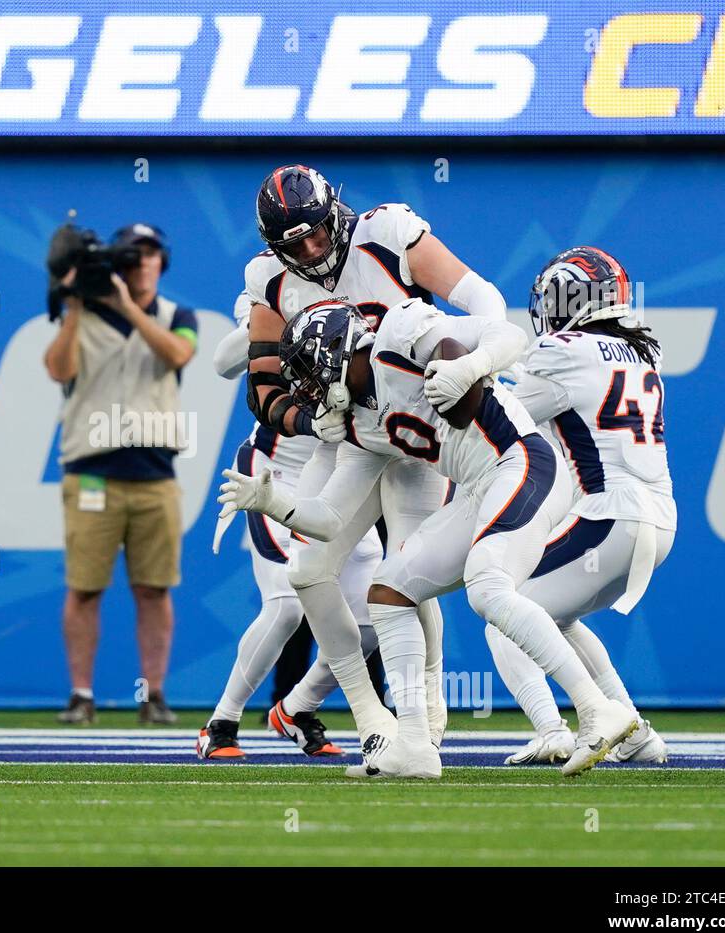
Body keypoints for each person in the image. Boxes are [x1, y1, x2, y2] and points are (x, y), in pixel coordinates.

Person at [219, 299, 639, 779]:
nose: (309, 393)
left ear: (333, 352)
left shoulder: (399, 334)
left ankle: (597, 709)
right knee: (390, 592)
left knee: (488, 586)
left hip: (521, 461)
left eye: (310, 377)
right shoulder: (359, 425)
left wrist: (469, 367)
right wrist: (273, 503)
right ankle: (415, 744)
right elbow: (331, 518)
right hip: (478, 489)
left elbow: (510, 337)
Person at [225, 164, 509, 749]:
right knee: (307, 571)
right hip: (349, 437)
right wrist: (308, 419)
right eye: (293, 244)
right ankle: (371, 719)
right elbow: (261, 385)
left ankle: (424, 718)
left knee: (406, 576)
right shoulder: (270, 279)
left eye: (316, 232)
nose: (310, 248)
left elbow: (484, 301)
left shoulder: (384, 234)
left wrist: (462, 362)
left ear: (336, 213)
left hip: (412, 433)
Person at [484, 247, 674, 765]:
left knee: (504, 608)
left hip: (612, 513)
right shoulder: (641, 350)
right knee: (555, 619)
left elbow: (506, 418)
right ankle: (634, 734)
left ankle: (558, 729)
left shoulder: (564, 351)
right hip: (657, 517)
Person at [200, 291, 382, 759]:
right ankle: (221, 723)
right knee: (286, 604)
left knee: (376, 616)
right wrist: (279, 317)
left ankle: (298, 708)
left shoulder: (369, 298)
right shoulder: (277, 302)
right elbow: (222, 362)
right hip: (275, 474)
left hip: (343, 479)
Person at [43, 223, 196, 725]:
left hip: (155, 472)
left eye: (150, 254)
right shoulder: (84, 314)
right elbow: (58, 370)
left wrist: (129, 307)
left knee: (154, 589)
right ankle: (81, 696)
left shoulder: (179, 315)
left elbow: (178, 354)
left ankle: (154, 695)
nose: (141, 263)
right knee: (84, 587)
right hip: (91, 470)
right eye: (132, 255)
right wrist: (73, 308)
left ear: (163, 262)